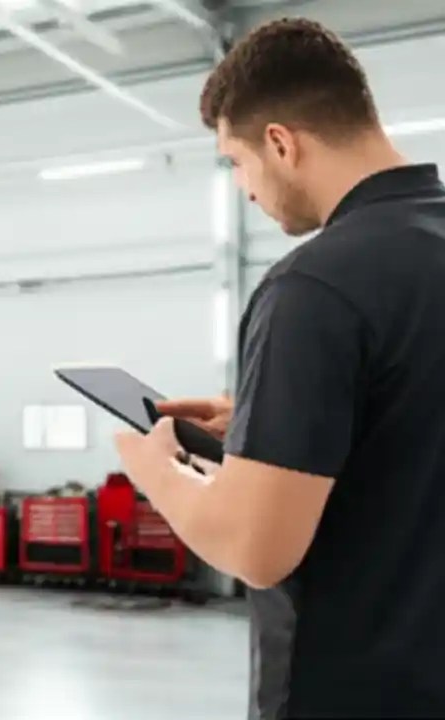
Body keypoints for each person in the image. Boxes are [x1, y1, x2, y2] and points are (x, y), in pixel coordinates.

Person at [111, 17, 445, 719]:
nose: (244, 187)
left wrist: (158, 475)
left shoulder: (316, 287)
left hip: (353, 691)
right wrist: (266, 424)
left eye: (236, 162)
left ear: (281, 143)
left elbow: (255, 547)